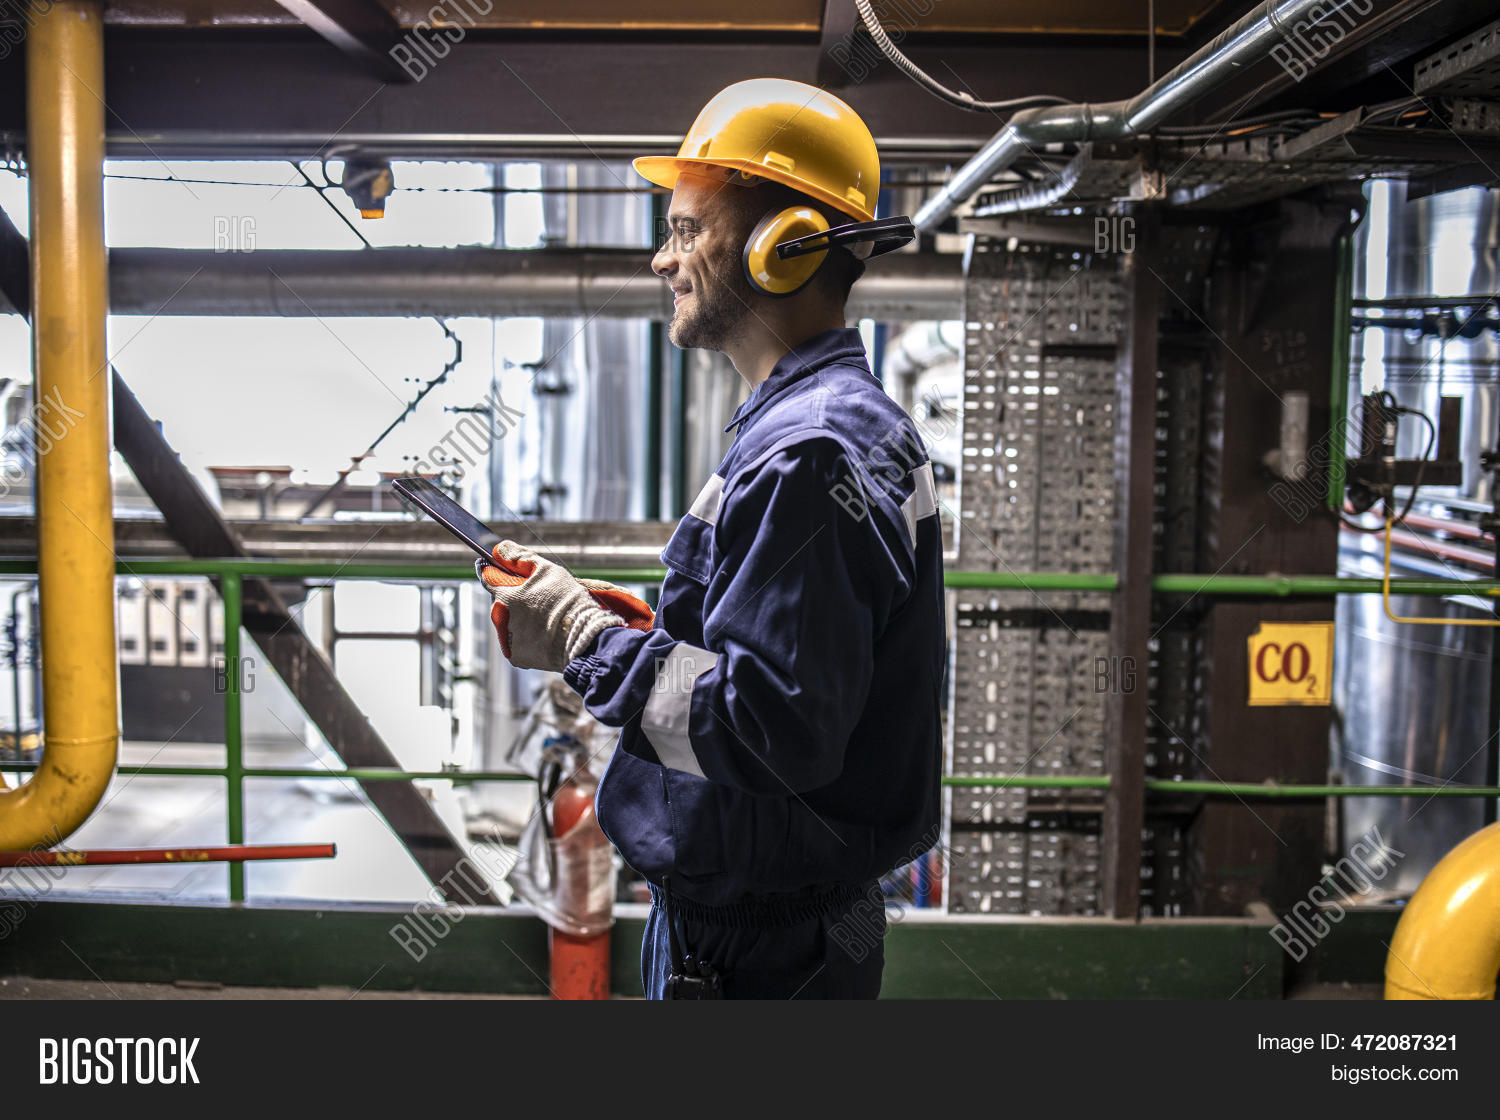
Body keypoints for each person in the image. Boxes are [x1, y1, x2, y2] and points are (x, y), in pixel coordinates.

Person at [479, 77, 945, 999]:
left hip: (758, 955)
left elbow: (773, 727)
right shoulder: (824, 425)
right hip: (765, 924)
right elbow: (780, 661)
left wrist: (582, 641)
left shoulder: (811, 452)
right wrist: (640, 635)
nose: (663, 258)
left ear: (786, 248)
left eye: (688, 229)